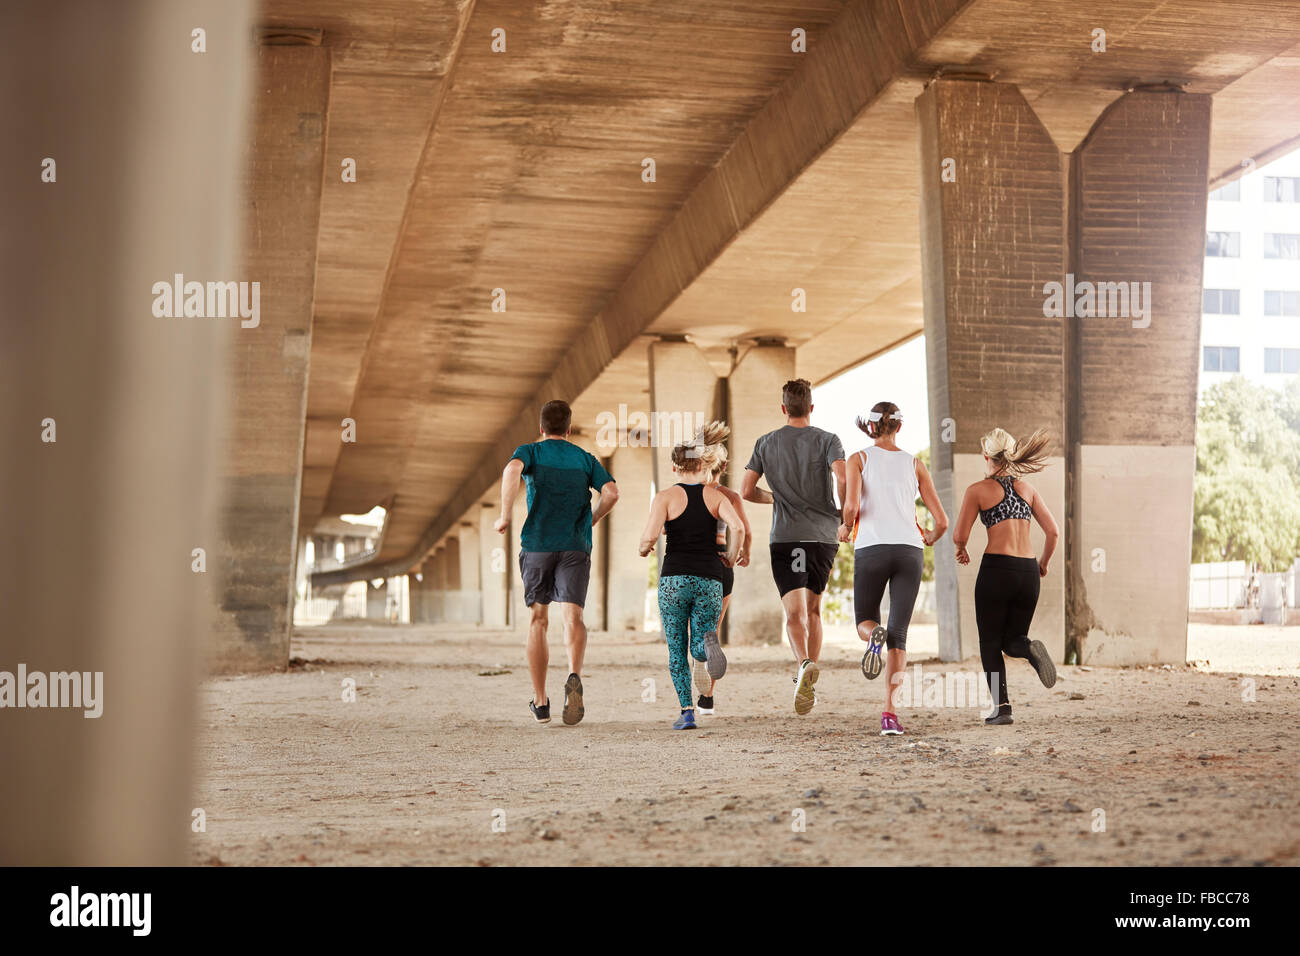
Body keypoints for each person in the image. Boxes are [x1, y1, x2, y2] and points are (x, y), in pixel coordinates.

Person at [494, 399, 619, 725]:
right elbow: (612, 493)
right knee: (573, 616)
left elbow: (511, 470)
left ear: (541, 428)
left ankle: (541, 701)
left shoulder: (530, 451)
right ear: (568, 428)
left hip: (537, 545)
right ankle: (574, 674)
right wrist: (593, 518)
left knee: (538, 619)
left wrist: (505, 515)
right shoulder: (584, 458)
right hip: (575, 546)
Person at [838, 402, 947, 736]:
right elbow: (941, 521)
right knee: (899, 637)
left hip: (872, 548)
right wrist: (930, 535)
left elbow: (853, 505)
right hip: (909, 550)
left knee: (864, 621)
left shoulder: (859, 459)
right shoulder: (915, 464)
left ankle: (873, 635)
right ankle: (890, 715)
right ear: (898, 427)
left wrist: (845, 527)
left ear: (872, 428)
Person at [740, 378, 846, 715]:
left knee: (794, 615)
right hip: (824, 536)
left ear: (784, 408)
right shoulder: (829, 440)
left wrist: (776, 497)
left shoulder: (766, 442)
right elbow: (843, 478)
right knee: (814, 611)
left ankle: (802, 664)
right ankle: (810, 674)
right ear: (811, 408)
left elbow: (745, 490)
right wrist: (845, 516)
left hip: (787, 537)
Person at [951, 427, 1059, 726]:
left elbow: (959, 534)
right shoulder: (1028, 489)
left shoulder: (978, 490)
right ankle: (1028, 649)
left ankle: (1003, 707)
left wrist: (961, 549)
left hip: (997, 570)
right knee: (1013, 640)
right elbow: (1053, 531)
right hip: (1027, 573)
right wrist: (1043, 563)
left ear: (986, 456)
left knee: (989, 641)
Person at [639, 436, 742, 730]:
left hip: (674, 579)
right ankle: (705, 647)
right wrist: (732, 556)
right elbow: (737, 527)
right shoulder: (716, 497)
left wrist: (644, 549)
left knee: (675, 648)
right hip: (710, 579)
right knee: (701, 639)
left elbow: (649, 536)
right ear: (701, 464)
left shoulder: (664, 497)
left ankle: (686, 712)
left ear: (675, 467)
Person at [696, 421, 751, 715]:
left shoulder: (687, 493)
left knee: (691, 623)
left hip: (691, 561)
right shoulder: (729, 496)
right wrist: (741, 554)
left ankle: (696, 656)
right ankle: (706, 698)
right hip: (720, 562)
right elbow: (744, 530)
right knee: (712, 628)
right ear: (725, 464)